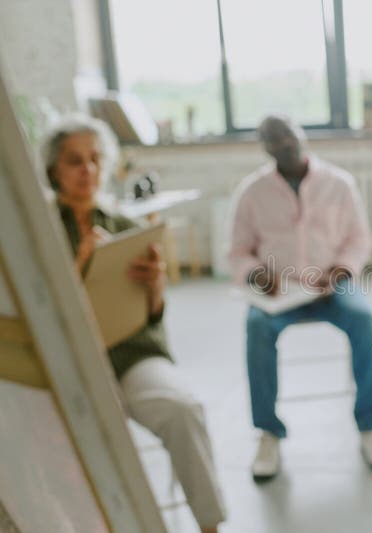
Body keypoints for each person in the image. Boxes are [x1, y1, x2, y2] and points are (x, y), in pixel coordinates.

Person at [41, 114, 226, 533]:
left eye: (94, 158)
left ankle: (210, 526)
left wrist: (155, 286)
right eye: (74, 160)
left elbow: (153, 315)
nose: (87, 169)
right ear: (54, 170)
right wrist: (82, 263)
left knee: (183, 409)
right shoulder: (41, 233)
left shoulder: (127, 227)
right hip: (74, 365)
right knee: (95, 430)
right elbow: (46, 312)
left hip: (133, 354)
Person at [229, 114, 372, 481]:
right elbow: (238, 251)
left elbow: (359, 239)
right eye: (274, 140)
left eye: (288, 135)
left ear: (301, 134)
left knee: (365, 321)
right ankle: (268, 432)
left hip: (331, 286)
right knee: (257, 327)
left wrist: (341, 270)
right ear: (265, 148)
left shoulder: (339, 183)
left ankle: (371, 425)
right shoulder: (252, 192)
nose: (284, 144)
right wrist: (256, 274)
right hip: (279, 291)